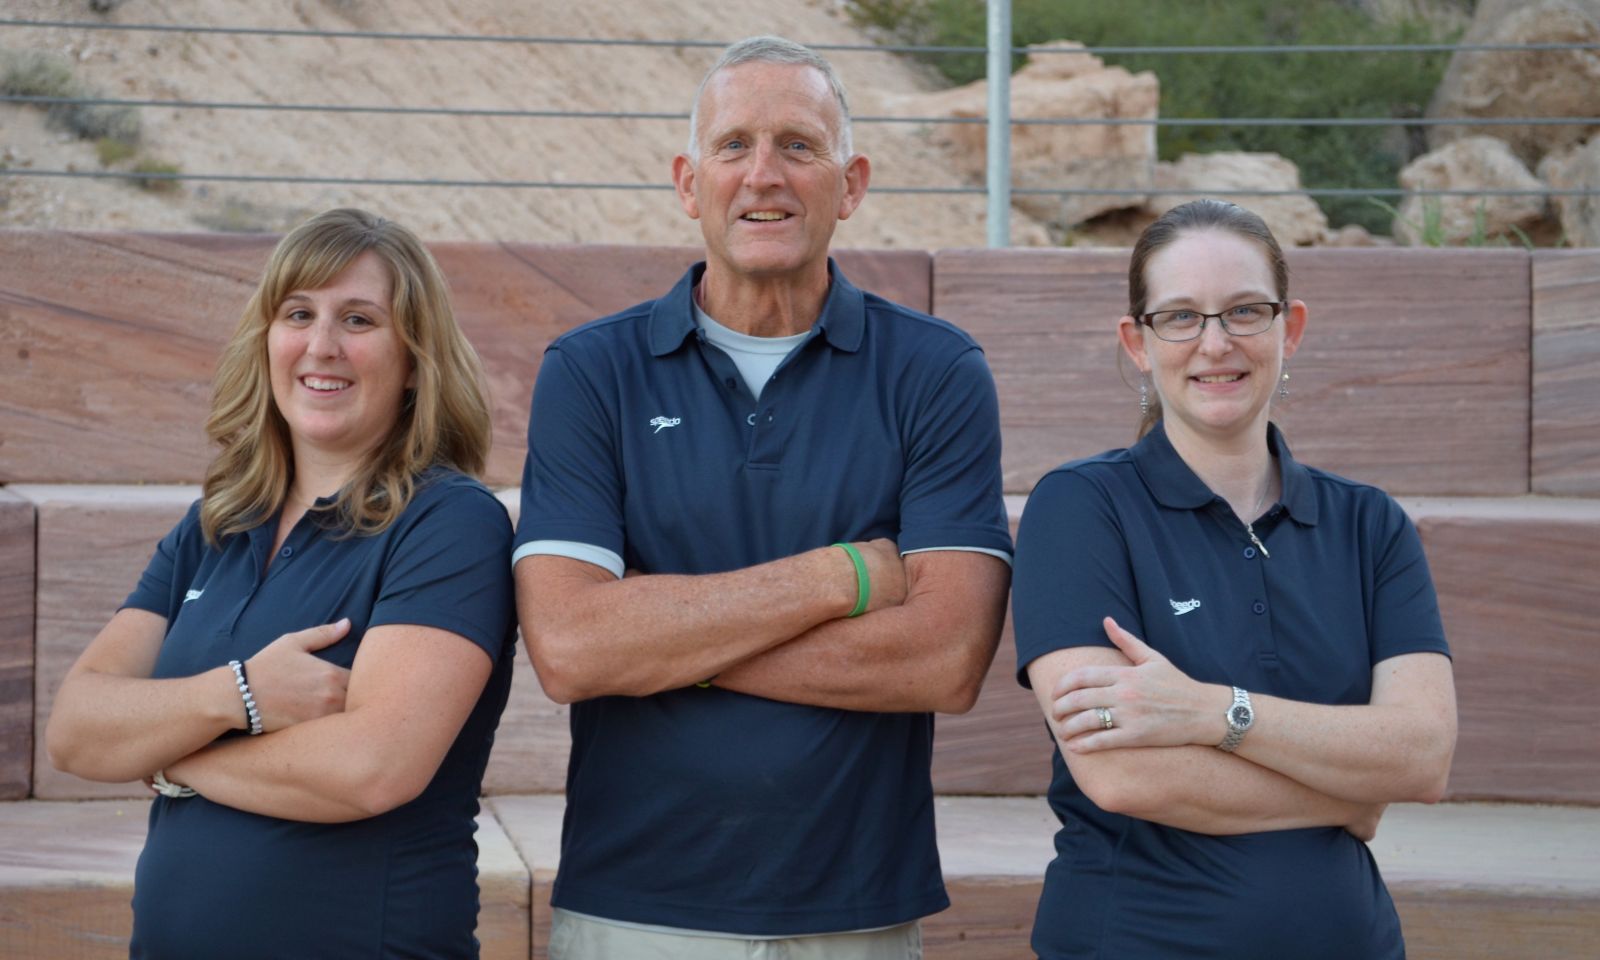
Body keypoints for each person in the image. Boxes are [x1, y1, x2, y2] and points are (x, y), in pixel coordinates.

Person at [514, 35, 1012, 960]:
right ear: (688, 181)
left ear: (851, 183)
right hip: (634, 908)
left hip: (855, 909)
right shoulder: (591, 373)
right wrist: (844, 576)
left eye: (799, 145)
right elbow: (573, 647)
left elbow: (944, 658)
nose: (764, 175)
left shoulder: (937, 373)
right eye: (734, 145)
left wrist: (668, 642)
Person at [45, 208, 517, 959]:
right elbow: (75, 730)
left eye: (358, 319)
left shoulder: (450, 523)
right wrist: (235, 695)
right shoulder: (218, 525)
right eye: (299, 314)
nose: (321, 346)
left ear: (415, 359)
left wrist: (166, 755)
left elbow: (371, 770)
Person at [1011, 198, 1458, 959]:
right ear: (1137, 343)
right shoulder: (1081, 508)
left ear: (1291, 327)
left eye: (1245, 311)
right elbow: (1120, 775)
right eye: (1180, 317)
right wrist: (1349, 788)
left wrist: (1214, 712)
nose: (1215, 344)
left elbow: (1422, 755)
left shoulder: (1370, 525)